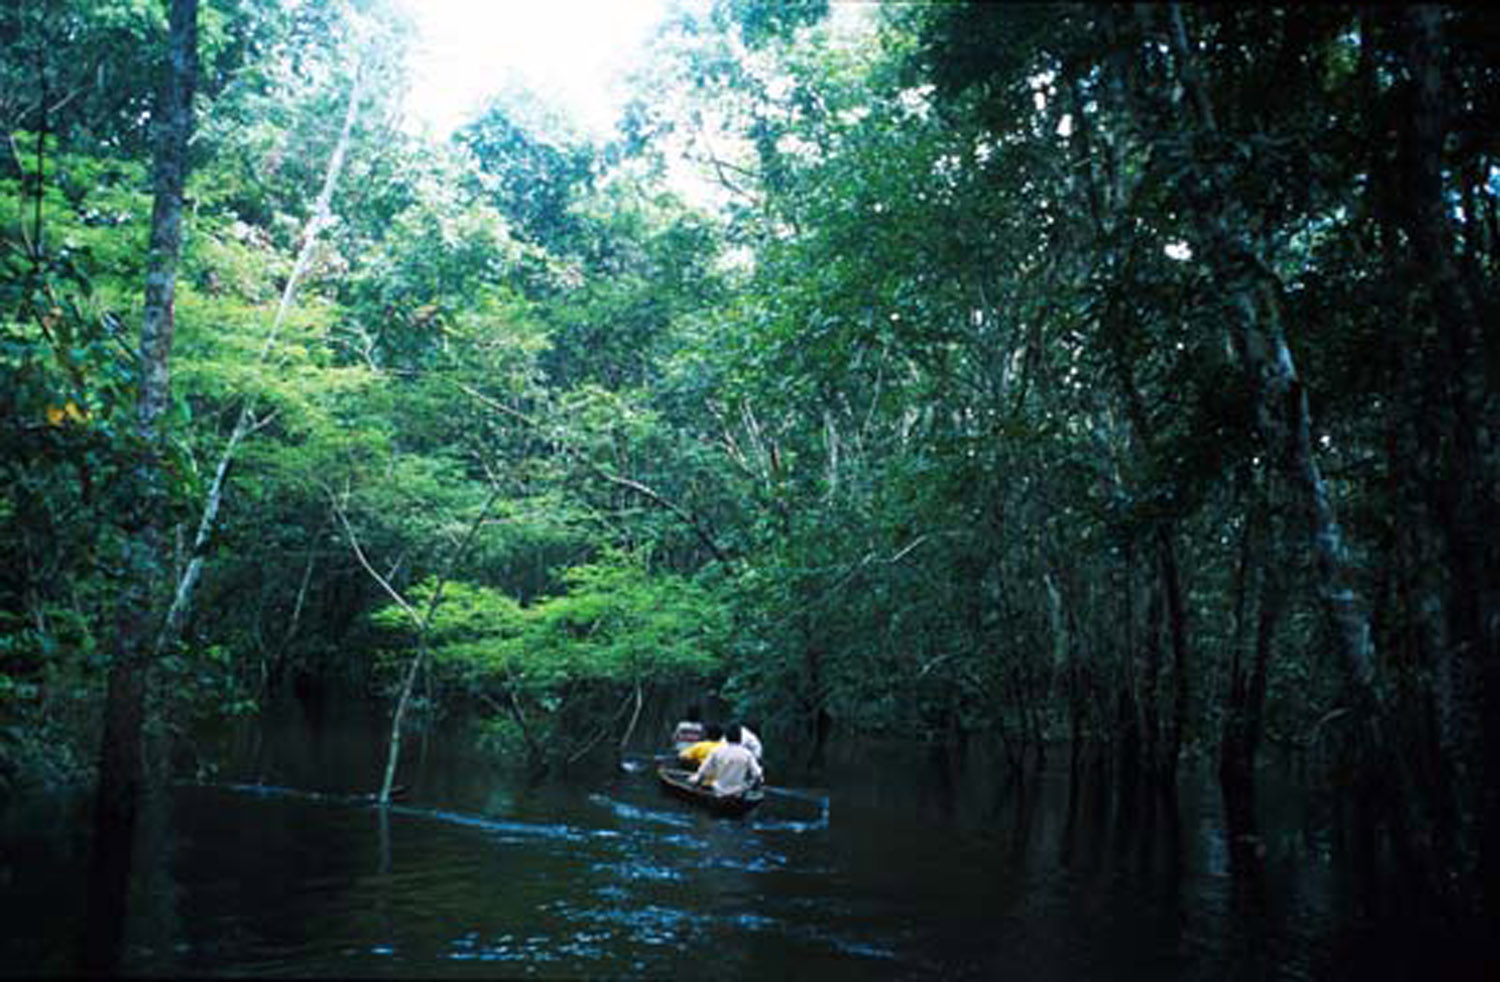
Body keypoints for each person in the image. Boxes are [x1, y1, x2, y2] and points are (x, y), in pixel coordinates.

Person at [691, 723, 763, 797]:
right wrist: (754, 786)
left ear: (726, 737)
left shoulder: (717, 751)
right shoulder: (747, 754)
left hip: (718, 790)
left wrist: (696, 782)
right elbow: (758, 775)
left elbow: (703, 771)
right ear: (740, 738)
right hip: (738, 792)